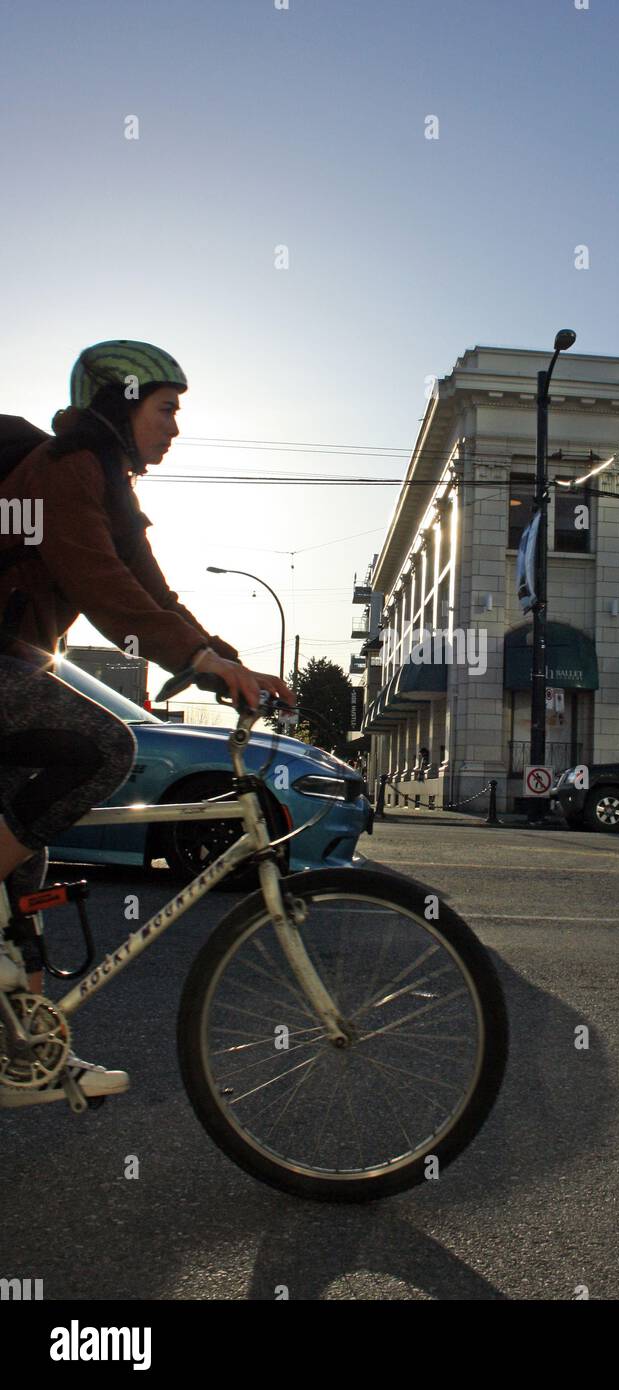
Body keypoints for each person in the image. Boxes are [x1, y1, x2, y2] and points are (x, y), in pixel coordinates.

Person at [0, 340, 295, 1102]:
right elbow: (102, 587)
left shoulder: (112, 488)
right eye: (166, 409)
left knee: (23, 874)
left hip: (14, 662)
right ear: (118, 403)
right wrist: (199, 663)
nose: (175, 426)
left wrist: (225, 660)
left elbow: (154, 597)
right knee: (106, 744)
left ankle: (27, 1055)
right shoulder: (67, 469)